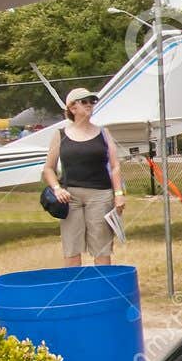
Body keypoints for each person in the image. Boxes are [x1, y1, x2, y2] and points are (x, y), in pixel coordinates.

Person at [43, 87, 126, 265]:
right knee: (72, 247)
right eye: (84, 101)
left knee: (101, 246)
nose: (90, 105)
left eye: (92, 101)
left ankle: (103, 289)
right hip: (69, 196)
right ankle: (74, 289)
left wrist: (118, 194)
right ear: (72, 108)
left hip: (101, 195)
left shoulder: (104, 133)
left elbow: (115, 166)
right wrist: (57, 189)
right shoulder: (60, 135)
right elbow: (48, 169)